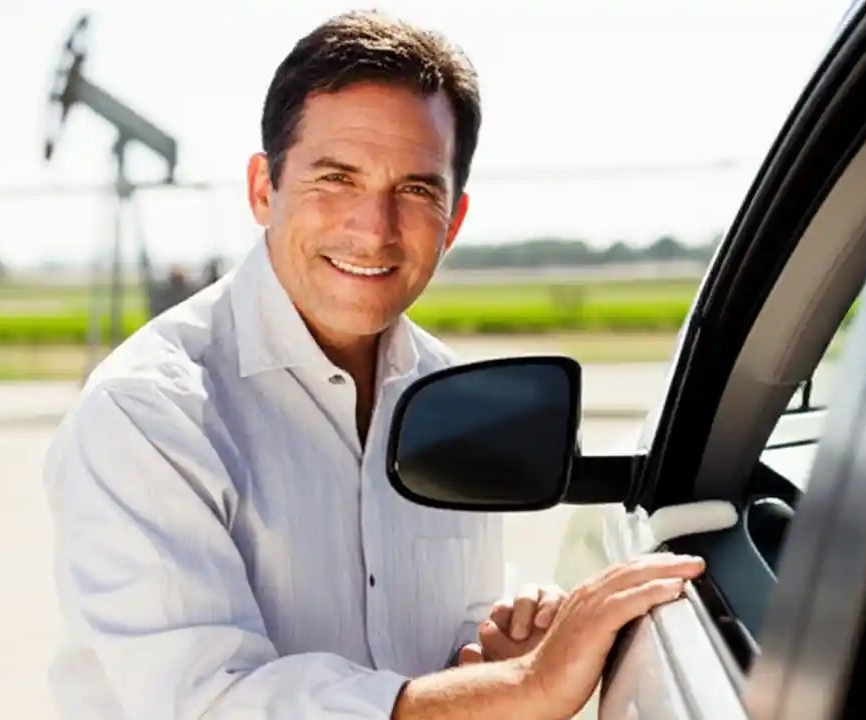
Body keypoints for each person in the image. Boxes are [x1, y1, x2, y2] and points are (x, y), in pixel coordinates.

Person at [43, 10, 704, 718]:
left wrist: (487, 657)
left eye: (416, 191)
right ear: (264, 189)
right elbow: (213, 702)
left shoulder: (457, 400)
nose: (375, 228)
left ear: (454, 219)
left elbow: (435, 650)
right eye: (337, 179)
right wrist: (527, 689)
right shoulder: (146, 414)